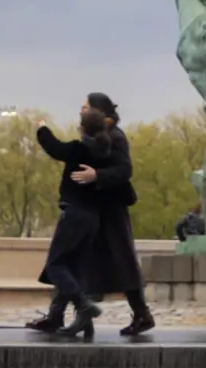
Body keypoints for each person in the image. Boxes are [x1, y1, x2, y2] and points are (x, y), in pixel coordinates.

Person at [30, 93, 155, 338]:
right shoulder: (97, 137)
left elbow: (124, 169)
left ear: (99, 113)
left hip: (110, 212)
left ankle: (138, 313)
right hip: (96, 207)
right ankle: (59, 316)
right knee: (77, 263)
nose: (81, 108)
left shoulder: (115, 137)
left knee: (113, 265)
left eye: (85, 106)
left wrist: (96, 176)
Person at [30, 109, 119, 340]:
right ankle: (84, 323)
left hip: (75, 214)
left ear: (82, 128)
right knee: (76, 268)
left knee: (56, 265)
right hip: (92, 218)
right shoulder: (105, 153)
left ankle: (83, 304)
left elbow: (54, 147)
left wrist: (41, 127)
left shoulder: (79, 149)